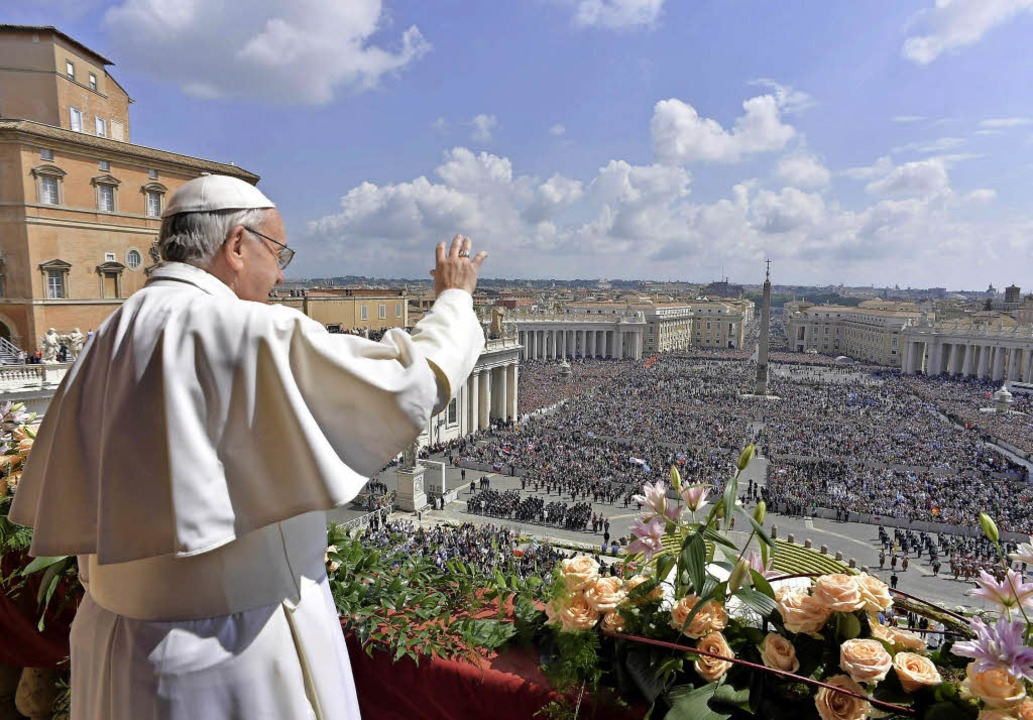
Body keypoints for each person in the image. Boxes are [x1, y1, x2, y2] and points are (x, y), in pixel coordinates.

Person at [9, 174, 488, 720]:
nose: (282, 274)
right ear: (237, 245)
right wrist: (454, 300)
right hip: (234, 655)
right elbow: (409, 385)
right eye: (278, 252)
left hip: (119, 648)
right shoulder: (247, 330)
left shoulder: (109, 335)